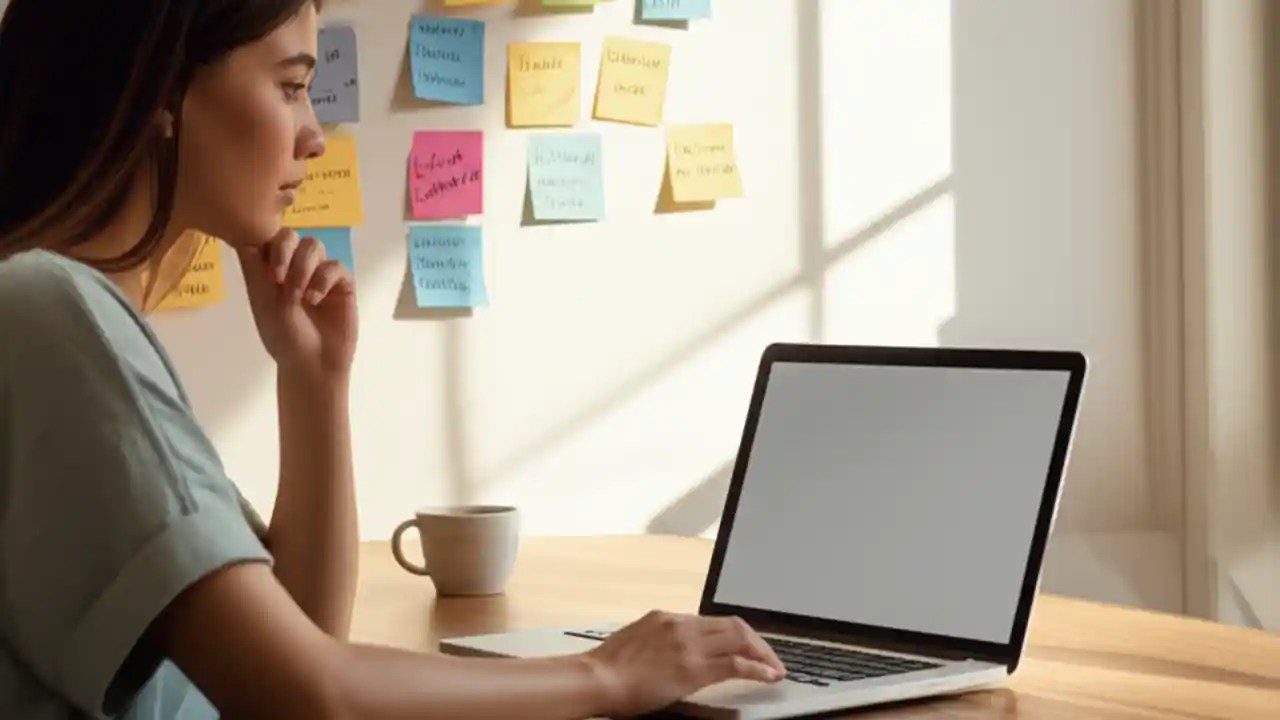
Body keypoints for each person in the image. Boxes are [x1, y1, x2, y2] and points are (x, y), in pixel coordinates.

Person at [0, 1, 785, 718]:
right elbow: (312, 694)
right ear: (162, 92)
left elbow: (296, 643)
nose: (314, 133)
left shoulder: (47, 310)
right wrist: (605, 676)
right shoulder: (46, 308)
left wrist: (314, 380)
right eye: (289, 87)